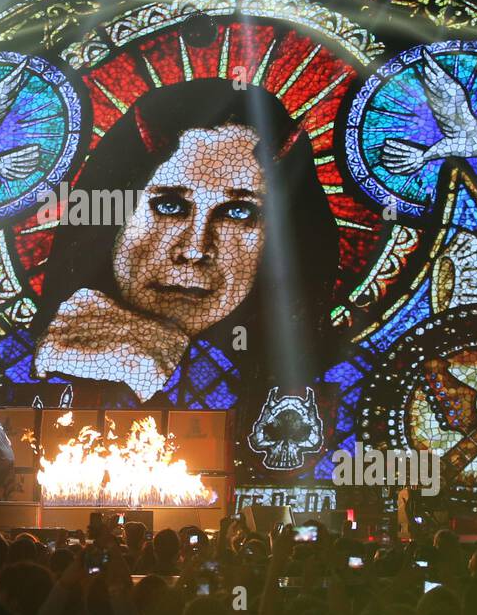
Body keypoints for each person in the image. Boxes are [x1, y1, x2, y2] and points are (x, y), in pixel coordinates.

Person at [30, 79, 340, 411]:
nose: (194, 249)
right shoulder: (9, 362)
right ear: (111, 218)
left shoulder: (329, 387)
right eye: (169, 205)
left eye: (238, 212)